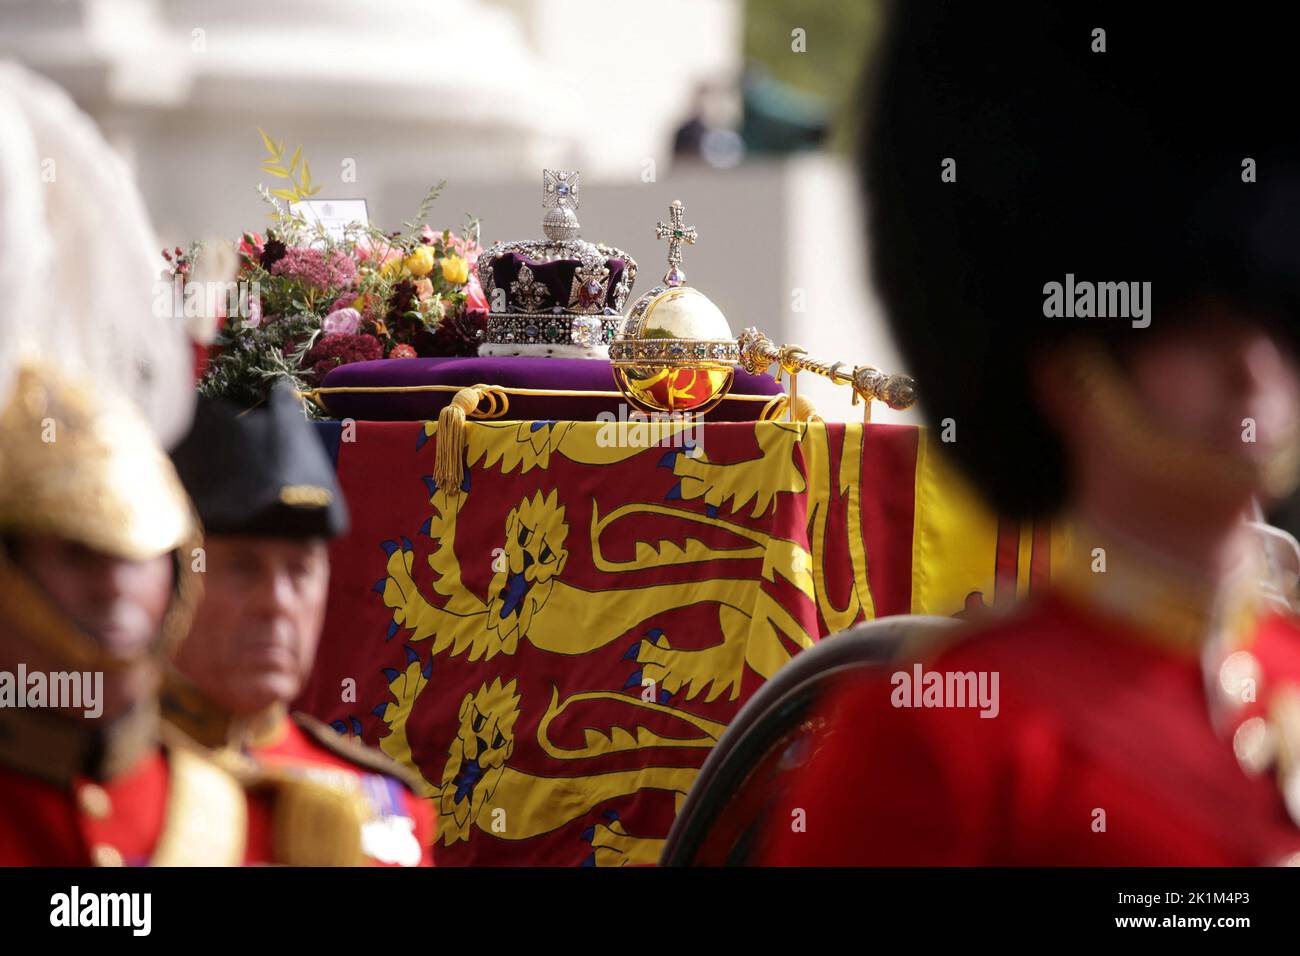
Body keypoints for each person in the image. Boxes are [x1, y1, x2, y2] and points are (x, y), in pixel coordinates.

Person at [755, 5, 1300, 865]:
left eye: (1278, 315)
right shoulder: (933, 745)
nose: (1256, 368)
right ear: (1068, 371)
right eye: (1191, 325)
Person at [163, 385, 434, 867]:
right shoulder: (84, 786)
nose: (277, 603)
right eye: (243, 568)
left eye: (301, 570)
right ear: (172, 579)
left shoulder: (386, 808)